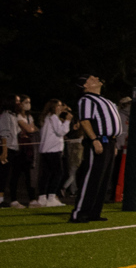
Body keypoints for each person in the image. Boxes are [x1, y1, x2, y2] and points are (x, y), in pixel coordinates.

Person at [68, 73, 122, 223]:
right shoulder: (86, 99)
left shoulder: (104, 100)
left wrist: (114, 143)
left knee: (103, 178)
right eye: (92, 79)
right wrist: (94, 139)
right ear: (85, 85)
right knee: (92, 177)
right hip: (99, 140)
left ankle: (94, 212)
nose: (97, 79)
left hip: (110, 142)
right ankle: (79, 213)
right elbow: (85, 120)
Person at [0, 95, 33, 208]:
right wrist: (4, 151)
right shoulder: (5, 115)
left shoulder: (13, 116)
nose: (19, 103)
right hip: (4, 147)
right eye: (17, 101)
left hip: (11, 148)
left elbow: (15, 131)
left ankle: (0, 199)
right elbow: (3, 134)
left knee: (4, 174)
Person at [37, 99, 70, 207]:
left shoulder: (47, 117)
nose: (61, 108)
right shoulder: (53, 117)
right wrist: (67, 121)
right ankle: (51, 197)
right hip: (53, 150)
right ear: (54, 107)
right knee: (59, 173)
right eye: (59, 106)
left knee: (46, 174)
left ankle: (42, 197)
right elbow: (60, 131)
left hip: (46, 149)